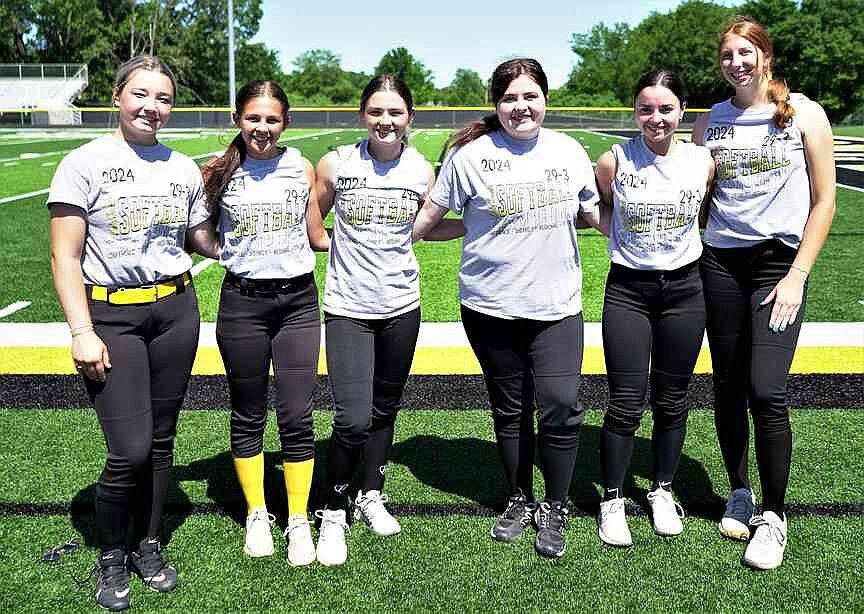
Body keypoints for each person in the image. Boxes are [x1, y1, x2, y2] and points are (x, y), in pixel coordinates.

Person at [413, 58, 606, 559]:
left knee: (561, 404)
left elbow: (590, 216)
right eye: (509, 99)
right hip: (489, 305)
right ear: (495, 105)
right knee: (510, 406)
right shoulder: (470, 156)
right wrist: (376, 242)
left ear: (546, 98)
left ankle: (556, 504)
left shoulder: (569, 151)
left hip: (556, 304)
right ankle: (519, 496)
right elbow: (430, 219)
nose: (521, 107)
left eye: (530, 96)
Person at [48, 55, 207, 611]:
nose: (152, 107)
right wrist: (81, 331)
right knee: (129, 449)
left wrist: (249, 231)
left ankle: (148, 543)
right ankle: (110, 552)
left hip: (175, 310)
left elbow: (198, 240)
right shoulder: (82, 163)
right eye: (141, 95)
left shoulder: (183, 167)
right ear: (118, 97)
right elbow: (64, 255)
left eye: (163, 98)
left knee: (161, 442)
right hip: (111, 316)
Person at [692, 16, 835, 570]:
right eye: (727, 54)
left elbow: (824, 201)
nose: (736, 63)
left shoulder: (803, 112)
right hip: (720, 265)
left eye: (745, 52)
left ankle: (774, 515)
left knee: (767, 389)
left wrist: (797, 274)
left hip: (779, 265)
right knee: (727, 383)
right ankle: (739, 490)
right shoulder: (712, 120)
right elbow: (698, 193)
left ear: (765, 55)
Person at [313, 74, 459, 567]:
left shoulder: (421, 168)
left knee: (384, 408)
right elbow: (315, 220)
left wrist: (484, 224)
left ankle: (369, 492)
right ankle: (332, 508)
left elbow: (428, 226)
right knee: (351, 416)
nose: (385, 121)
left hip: (402, 305)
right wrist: (337, 247)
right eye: (376, 111)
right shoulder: (337, 163)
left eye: (395, 112)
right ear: (362, 116)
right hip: (348, 307)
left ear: (410, 118)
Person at [187, 80, 329, 567]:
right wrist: (218, 251)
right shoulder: (219, 171)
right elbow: (197, 230)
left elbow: (315, 235)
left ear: (286, 122)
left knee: (296, 414)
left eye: (272, 119)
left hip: (297, 304)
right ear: (237, 120)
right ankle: (256, 512)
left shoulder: (300, 167)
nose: (262, 128)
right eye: (253, 118)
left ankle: (296, 519)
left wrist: (375, 236)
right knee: (248, 411)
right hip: (242, 304)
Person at [593, 69, 713, 548]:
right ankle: (613, 499)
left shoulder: (703, 162)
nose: (656, 118)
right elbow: (601, 210)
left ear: (682, 111)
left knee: (673, 398)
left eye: (666, 108)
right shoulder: (614, 160)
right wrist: (627, 241)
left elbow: (705, 215)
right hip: (628, 290)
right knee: (624, 402)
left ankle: (663, 490)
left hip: (686, 289)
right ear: (634, 112)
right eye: (646, 108)